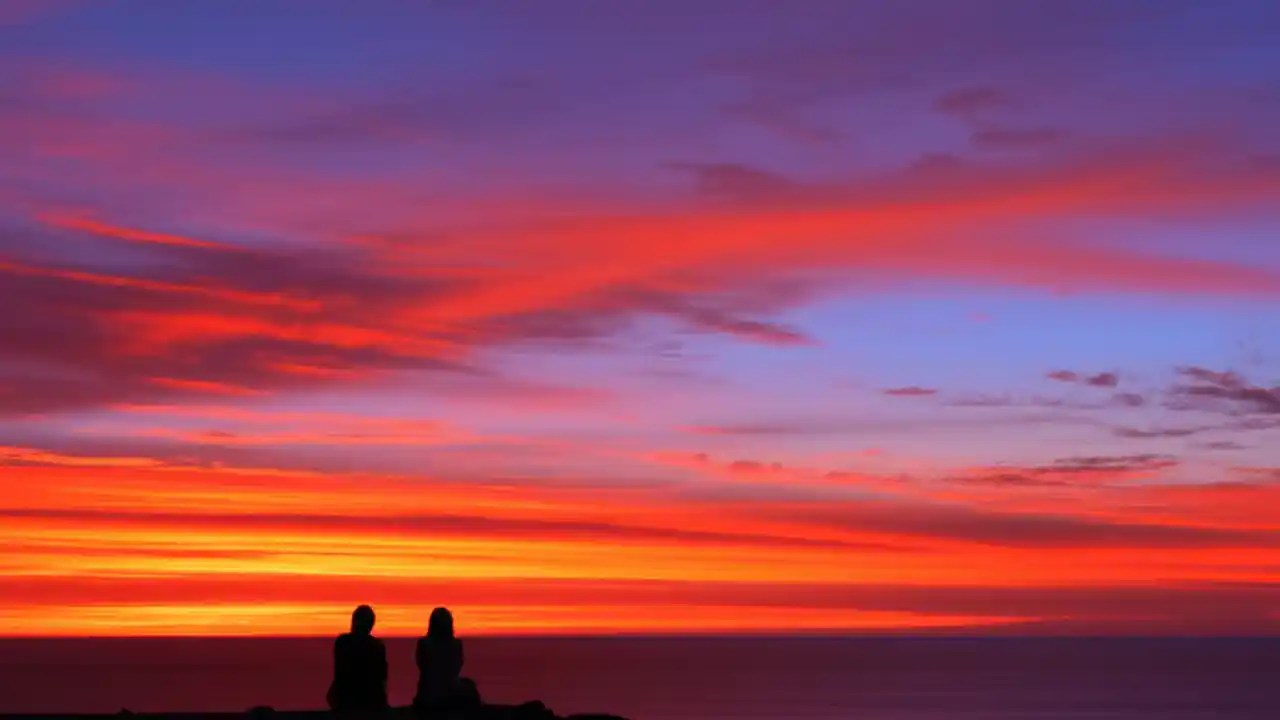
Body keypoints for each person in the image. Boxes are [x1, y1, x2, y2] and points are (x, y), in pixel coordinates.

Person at [413, 607, 480, 716]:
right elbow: (457, 667)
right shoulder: (456, 645)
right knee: (469, 687)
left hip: (427, 695)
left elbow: (421, 665)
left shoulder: (423, 644)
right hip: (449, 694)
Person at [327, 605, 388, 714]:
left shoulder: (342, 642)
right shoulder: (377, 646)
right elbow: (381, 678)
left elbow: (340, 674)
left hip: (347, 702)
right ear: (370, 626)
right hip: (371, 702)